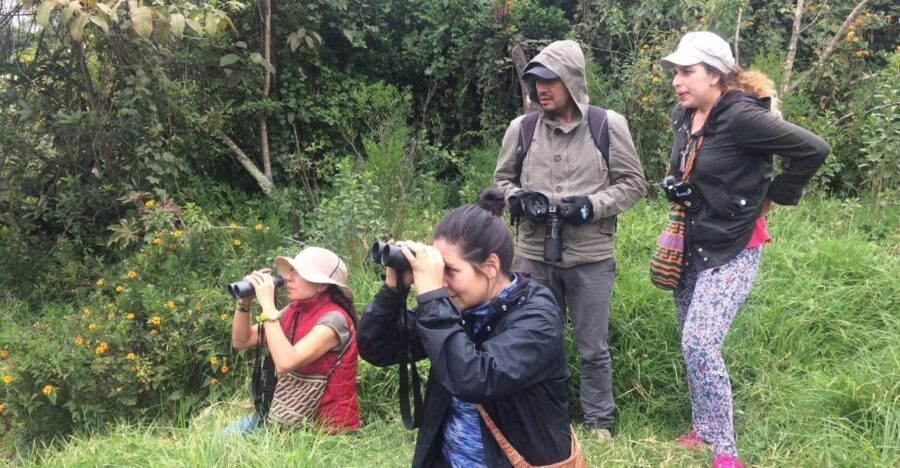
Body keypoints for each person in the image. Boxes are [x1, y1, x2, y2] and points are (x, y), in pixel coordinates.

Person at [659, 31, 830, 468]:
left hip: (733, 244)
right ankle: (703, 430)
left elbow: (813, 149)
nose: (677, 80)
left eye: (687, 71)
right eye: (674, 71)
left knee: (700, 343)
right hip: (692, 241)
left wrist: (771, 195)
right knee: (689, 340)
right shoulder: (686, 114)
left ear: (715, 74)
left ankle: (726, 452)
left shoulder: (741, 116)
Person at [492, 39, 647, 439]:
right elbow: (500, 182)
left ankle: (599, 422)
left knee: (592, 347)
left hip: (591, 257)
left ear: (572, 81)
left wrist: (590, 206)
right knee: (530, 342)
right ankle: (542, 417)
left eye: (550, 80)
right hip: (532, 255)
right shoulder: (522, 128)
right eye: (534, 81)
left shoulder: (606, 125)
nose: (541, 88)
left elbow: (633, 184)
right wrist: (518, 200)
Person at [358, 189, 576, 467]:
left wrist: (432, 298)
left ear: (490, 266)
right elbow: (377, 347)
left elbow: (474, 379)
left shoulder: (537, 317)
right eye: (438, 269)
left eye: (450, 270)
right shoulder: (457, 307)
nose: (442, 281)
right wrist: (393, 291)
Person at [227, 246, 359, 434]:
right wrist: (244, 303)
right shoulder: (293, 311)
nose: (289, 277)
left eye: (299, 273)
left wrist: (267, 305)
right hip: (290, 414)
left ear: (321, 285)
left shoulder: (335, 320)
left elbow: (285, 362)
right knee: (223, 437)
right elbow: (242, 340)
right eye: (291, 271)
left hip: (326, 429)